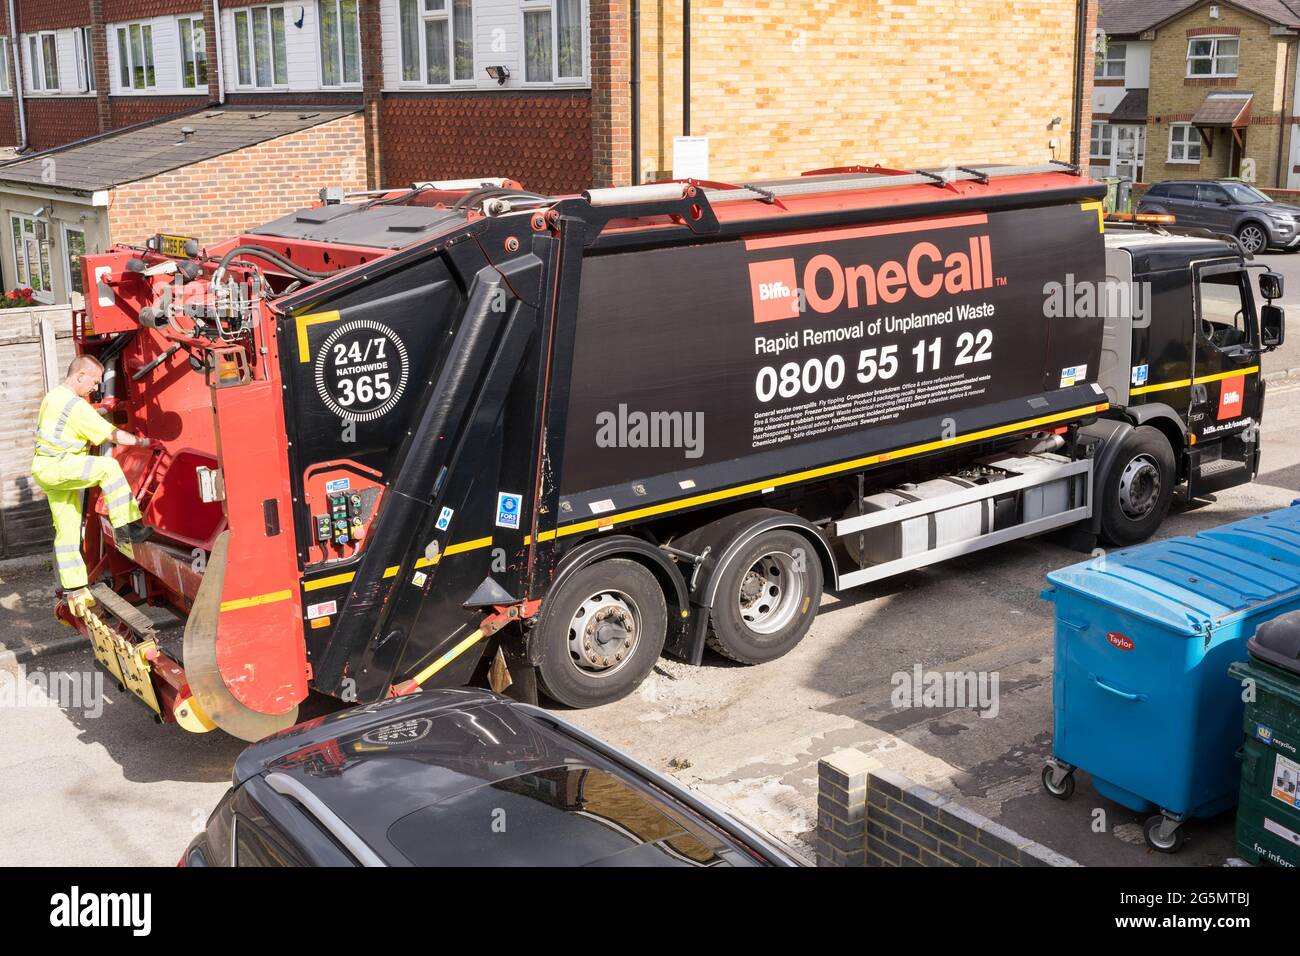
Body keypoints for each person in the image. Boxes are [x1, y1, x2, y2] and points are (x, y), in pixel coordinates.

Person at [32, 355, 152, 616]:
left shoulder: (54, 397)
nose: (96, 387)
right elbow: (111, 434)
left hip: (46, 468)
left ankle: (74, 587)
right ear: (80, 376)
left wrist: (98, 412)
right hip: (58, 467)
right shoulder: (75, 406)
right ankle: (126, 526)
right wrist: (143, 443)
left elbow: (72, 424)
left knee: (67, 530)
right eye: (94, 381)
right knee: (107, 468)